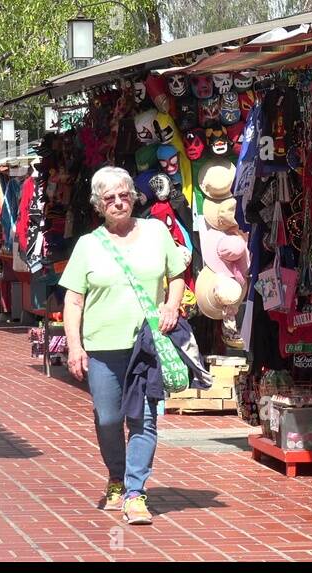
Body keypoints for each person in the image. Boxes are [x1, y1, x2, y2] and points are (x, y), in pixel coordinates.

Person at [59, 167, 187, 525]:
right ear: (99, 205)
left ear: (134, 196)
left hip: (145, 346)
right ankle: (116, 477)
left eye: (124, 194)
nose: (118, 202)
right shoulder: (87, 245)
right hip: (102, 347)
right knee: (109, 418)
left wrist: (171, 305)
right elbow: (73, 301)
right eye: (109, 198)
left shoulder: (157, 232)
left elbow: (176, 275)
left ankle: (135, 491)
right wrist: (74, 346)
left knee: (143, 419)